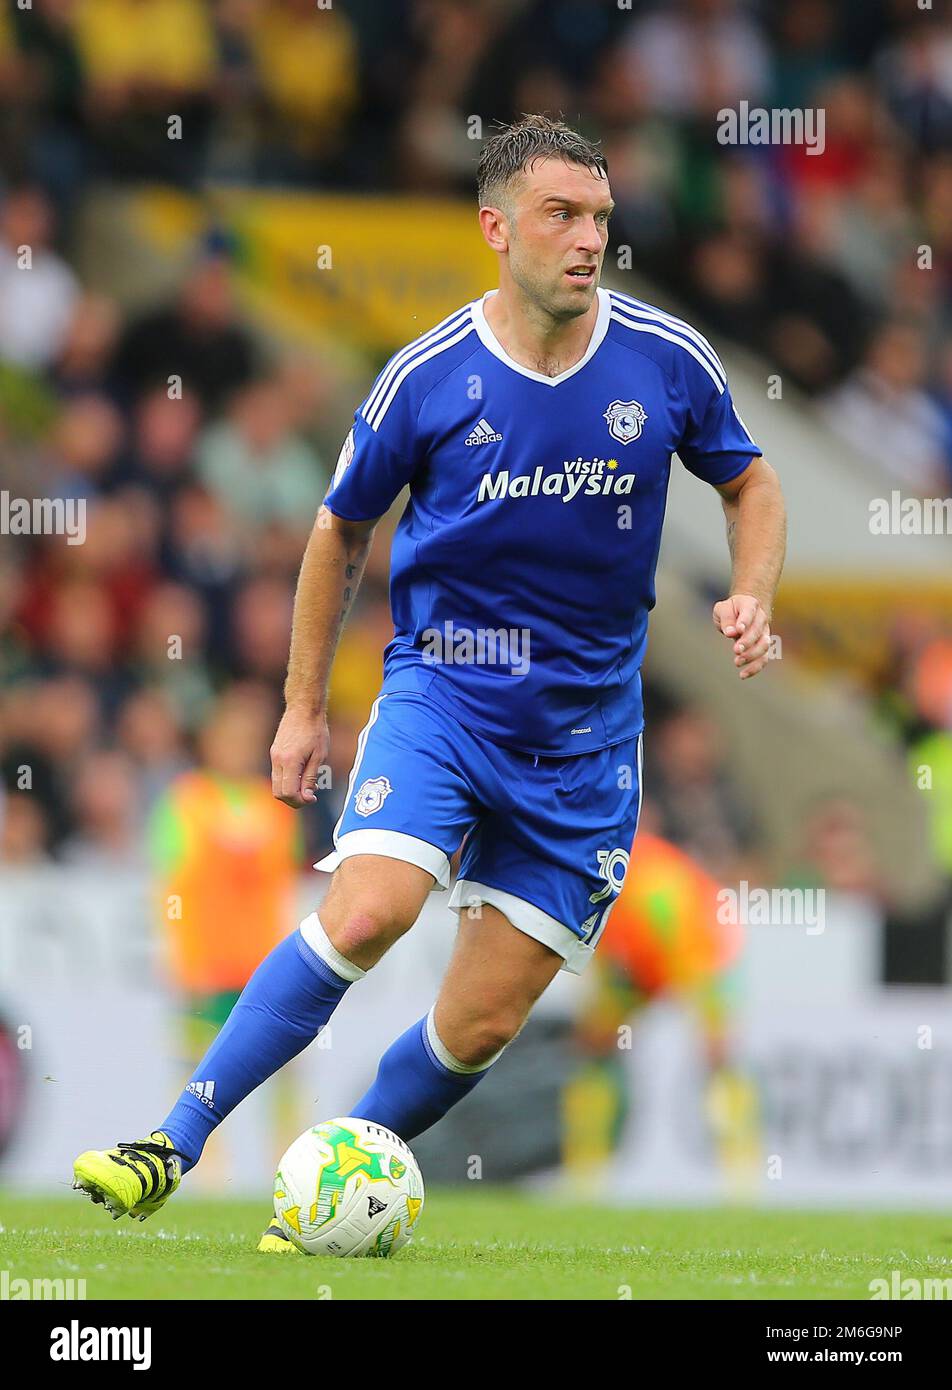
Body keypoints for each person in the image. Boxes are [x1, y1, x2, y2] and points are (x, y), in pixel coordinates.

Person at [72, 116, 786, 1246]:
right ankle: (171, 1140)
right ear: (496, 228)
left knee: (480, 1024)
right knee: (367, 909)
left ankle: (324, 1188)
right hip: (442, 702)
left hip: (588, 747)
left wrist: (752, 591)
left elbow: (750, 484)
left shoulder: (663, 359)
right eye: (561, 214)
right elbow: (336, 533)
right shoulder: (429, 374)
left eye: (600, 215)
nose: (589, 237)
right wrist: (305, 707)